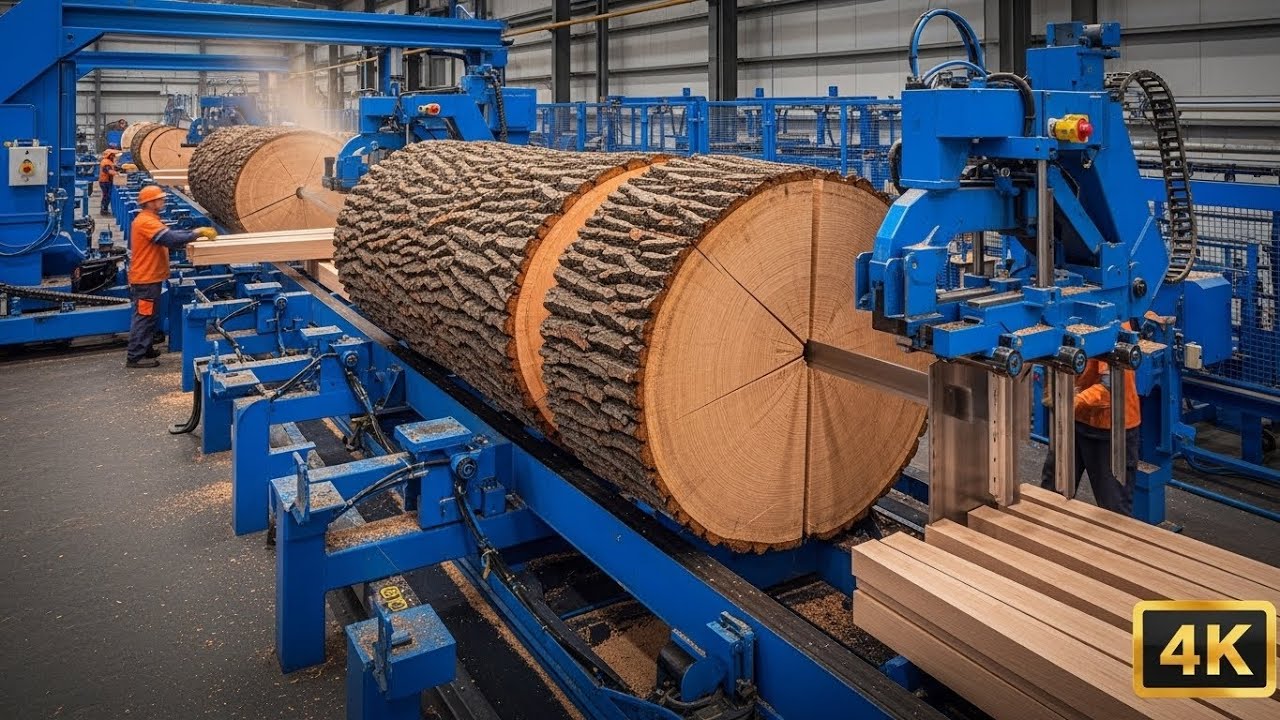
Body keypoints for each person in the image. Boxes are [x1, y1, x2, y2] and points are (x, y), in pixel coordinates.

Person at [126, 185, 217, 368]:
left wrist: (191, 235)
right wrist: (195, 233)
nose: (163, 201)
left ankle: (146, 348)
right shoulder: (145, 222)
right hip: (146, 279)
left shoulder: (150, 218)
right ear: (150, 203)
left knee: (150, 315)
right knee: (144, 316)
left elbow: (170, 235)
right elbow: (170, 239)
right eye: (160, 199)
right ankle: (135, 356)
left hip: (150, 277)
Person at [1040, 357, 1141, 515]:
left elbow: (1112, 384)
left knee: (1113, 508)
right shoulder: (1067, 330)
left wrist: (1074, 401)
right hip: (1075, 421)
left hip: (1110, 429)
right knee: (1052, 492)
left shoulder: (1114, 333)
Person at [98, 149, 119, 216]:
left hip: (106, 181)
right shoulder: (106, 162)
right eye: (113, 156)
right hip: (105, 182)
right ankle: (104, 210)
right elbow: (109, 171)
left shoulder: (108, 161)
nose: (114, 157)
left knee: (106, 195)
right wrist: (118, 174)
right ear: (109, 155)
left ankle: (104, 209)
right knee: (106, 196)